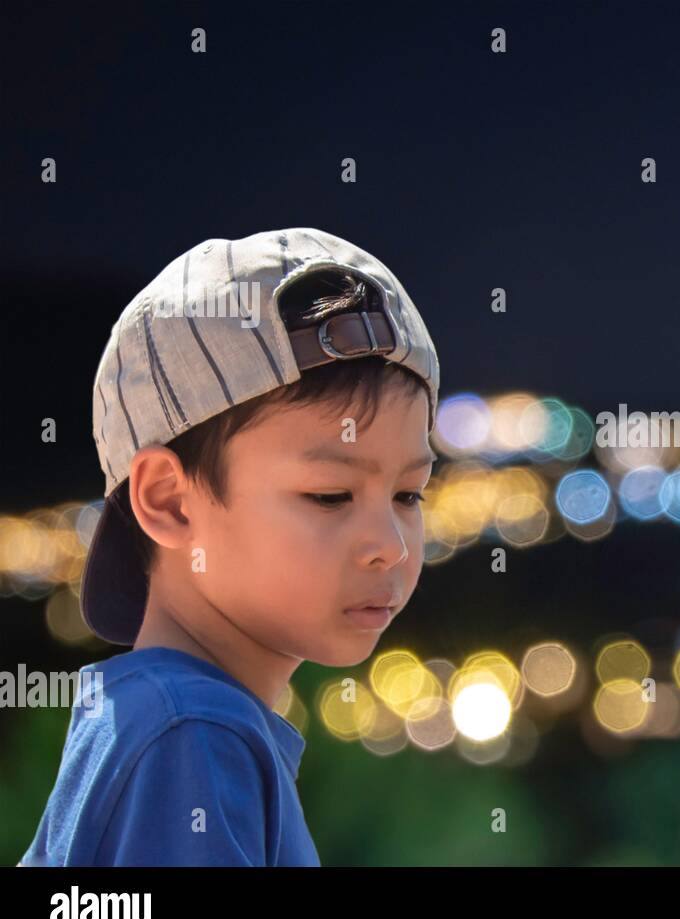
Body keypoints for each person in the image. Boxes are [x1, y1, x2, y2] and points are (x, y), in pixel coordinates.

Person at [20, 228, 440, 865]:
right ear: (170, 501)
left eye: (410, 495)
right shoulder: (191, 733)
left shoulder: (161, 719)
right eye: (330, 495)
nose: (390, 547)